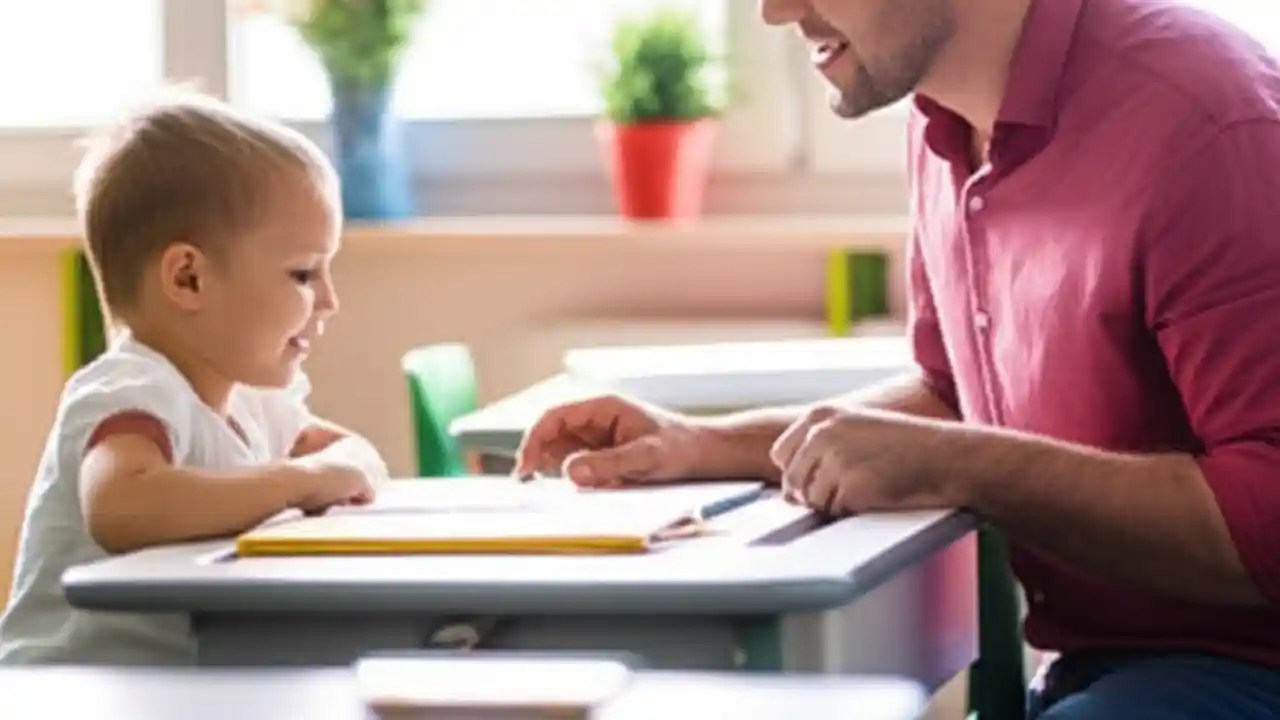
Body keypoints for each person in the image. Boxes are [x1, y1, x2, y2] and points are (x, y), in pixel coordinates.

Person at [515, 0, 1280, 717]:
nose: (776, 9)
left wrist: (965, 465)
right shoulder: (941, 126)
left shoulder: (1206, 121)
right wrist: (705, 444)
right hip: (1106, 670)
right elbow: (954, 399)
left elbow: (1268, 519)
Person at [0, 92, 387, 665]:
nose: (329, 301)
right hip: (71, 687)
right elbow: (122, 507)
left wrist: (334, 470)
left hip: (169, 683)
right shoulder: (130, 390)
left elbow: (353, 458)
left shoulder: (254, 403)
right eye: (303, 273)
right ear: (188, 280)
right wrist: (300, 481)